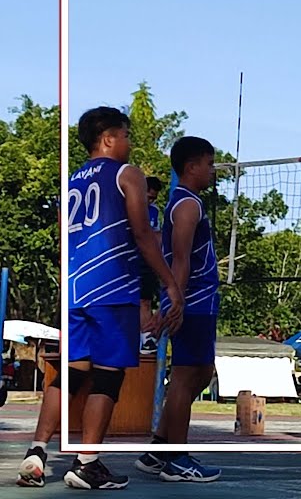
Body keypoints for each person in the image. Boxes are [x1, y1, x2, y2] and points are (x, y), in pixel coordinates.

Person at [18, 107, 183, 490]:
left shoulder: (70, 183)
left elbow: (64, 245)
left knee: (70, 374)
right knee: (108, 378)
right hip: (112, 288)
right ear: (108, 138)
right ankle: (87, 463)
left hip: (76, 290)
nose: (129, 143)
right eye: (125, 135)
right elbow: (142, 234)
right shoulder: (128, 175)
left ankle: (37, 451)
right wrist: (169, 283)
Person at [136, 136, 224, 481]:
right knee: (187, 376)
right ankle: (177, 459)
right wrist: (177, 300)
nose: (213, 170)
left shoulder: (183, 201)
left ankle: (158, 449)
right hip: (194, 297)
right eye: (209, 163)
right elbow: (182, 258)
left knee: (201, 372)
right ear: (191, 167)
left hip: (198, 296)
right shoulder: (187, 205)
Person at [139, 176, 165, 356]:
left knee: (145, 301)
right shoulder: (126, 205)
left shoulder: (154, 211)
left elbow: (156, 235)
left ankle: (147, 338)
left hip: (147, 260)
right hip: (126, 261)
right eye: (148, 196)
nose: (150, 201)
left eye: (153, 198)